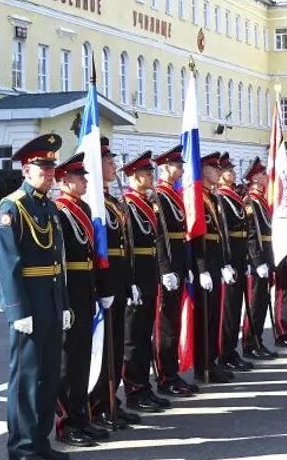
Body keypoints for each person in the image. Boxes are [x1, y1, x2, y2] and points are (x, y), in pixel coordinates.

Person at [0, 133, 69, 460]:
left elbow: (58, 260)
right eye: (43, 168)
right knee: (26, 380)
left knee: (49, 376)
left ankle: (40, 442)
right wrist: (17, 310)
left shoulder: (48, 206)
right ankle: (22, 450)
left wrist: (63, 303)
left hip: (50, 299)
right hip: (29, 303)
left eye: (52, 168)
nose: (50, 174)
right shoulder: (12, 207)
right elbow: (7, 263)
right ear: (26, 170)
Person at [52, 152, 111, 448]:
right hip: (70, 290)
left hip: (85, 287)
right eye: (80, 176)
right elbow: (59, 261)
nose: (86, 180)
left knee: (82, 359)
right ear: (64, 181)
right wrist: (61, 302)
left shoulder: (83, 208)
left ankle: (81, 416)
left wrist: (100, 288)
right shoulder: (59, 211)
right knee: (67, 361)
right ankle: (66, 423)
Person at [90, 141, 144, 432]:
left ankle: (112, 403)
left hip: (120, 282)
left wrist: (129, 282)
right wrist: (104, 286)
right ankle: (98, 407)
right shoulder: (94, 204)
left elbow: (124, 246)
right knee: (104, 348)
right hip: (104, 285)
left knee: (116, 346)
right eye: (108, 161)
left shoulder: (111, 201)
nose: (114, 166)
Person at [120, 149, 172, 414]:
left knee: (145, 335)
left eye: (150, 172)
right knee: (133, 339)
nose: (150, 176)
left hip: (149, 273)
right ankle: (134, 390)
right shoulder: (127, 204)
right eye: (145, 172)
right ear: (132, 175)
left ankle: (144, 387)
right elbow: (127, 246)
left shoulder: (146, 202)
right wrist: (130, 282)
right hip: (137, 275)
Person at [153, 144, 197, 398]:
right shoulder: (159, 195)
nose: (181, 170)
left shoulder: (173, 194)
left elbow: (181, 235)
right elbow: (160, 236)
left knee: (173, 322)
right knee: (165, 326)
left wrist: (186, 267)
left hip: (179, 264)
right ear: (165, 167)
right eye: (177, 166)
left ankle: (172, 372)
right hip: (167, 269)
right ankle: (165, 375)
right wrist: (166, 269)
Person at [192, 152, 232, 383]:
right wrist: (202, 267)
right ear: (203, 171)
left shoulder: (213, 198)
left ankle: (212, 361)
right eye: (214, 168)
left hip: (216, 263)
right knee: (204, 318)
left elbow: (220, 235)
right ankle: (203, 366)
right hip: (205, 264)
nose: (218, 172)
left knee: (214, 316)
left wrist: (225, 263)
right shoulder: (196, 197)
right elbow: (196, 236)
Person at [214, 152, 253, 372]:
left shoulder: (233, 197)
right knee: (227, 310)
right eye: (228, 170)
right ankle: (225, 353)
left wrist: (245, 257)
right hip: (229, 257)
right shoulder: (220, 197)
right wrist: (226, 261)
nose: (233, 173)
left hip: (239, 256)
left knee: (235, 307)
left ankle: (231, 350)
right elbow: (223, 233)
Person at [241, 158, 277, 358]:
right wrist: (257, 261)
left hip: (266, 255)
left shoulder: (261, 201)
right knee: (254, 304)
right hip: (258, 260)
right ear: (254, 178)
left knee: (262, 302)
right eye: (262, 174)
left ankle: (258, 340)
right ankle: (249, 343)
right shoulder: (250, 202)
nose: (266, 177)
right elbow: (252, 235)